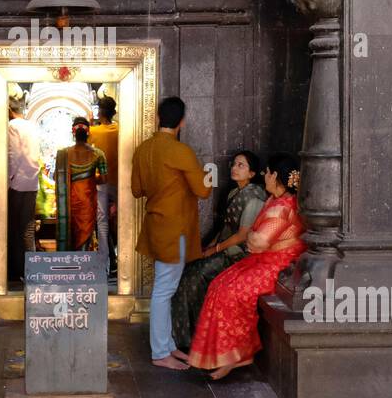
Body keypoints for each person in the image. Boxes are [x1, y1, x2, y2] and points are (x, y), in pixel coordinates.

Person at [188, 153, 306, 381]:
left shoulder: (282, 206)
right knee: (218, 284)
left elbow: (257, 241)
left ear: (276, 176)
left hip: (276, 266)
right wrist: (253, 237)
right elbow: (253, 240)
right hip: (263, 260)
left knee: (230, 293)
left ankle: (237, 353)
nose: (265, 177)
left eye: (268, 173)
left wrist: (252, 236)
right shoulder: (274, 200)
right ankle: (223, 354)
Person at [131, 96, 212, 370]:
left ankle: (167, 346)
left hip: (155, 226)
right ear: (181, 122)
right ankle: (160, 353)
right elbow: (202, 191)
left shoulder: (143, 149)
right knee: (164, 291)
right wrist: (208, 176)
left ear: (157, 118)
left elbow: (137, 190)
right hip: (174, 228)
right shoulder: (180, 151)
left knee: (164, 288)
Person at [171, 149, 266, 352]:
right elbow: (224, 227)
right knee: (189, 272)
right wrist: (207, 247)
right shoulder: (234, 193)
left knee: (195, 275)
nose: (234, 168)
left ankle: (198, 337)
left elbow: (242, 236)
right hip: (224, 248)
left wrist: (214, 250)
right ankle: (187, 336)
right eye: (234, 164)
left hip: (238, 255)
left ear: (252, 173)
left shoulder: (254, 198)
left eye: (241, 165)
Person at [55, 116, 107, 251]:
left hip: (68, 203)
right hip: (87, 203)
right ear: (88, 132)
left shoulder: (64, 154)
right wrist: (88, 179)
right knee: (85, 235)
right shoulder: (98, 154)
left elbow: (57, 177)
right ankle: (83, 264)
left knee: (69, 234)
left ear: (73, 132)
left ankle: (68, 264)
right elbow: (104, 179)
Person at [6, 97, 43, 281]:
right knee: (28, 227)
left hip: (17, 182)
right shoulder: (32, 126)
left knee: (14, 229)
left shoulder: (12, 126)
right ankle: (31, 269)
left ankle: (17, 269)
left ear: (9, 110)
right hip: (32, 181)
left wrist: (8, 178)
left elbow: (14, 154)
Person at [89, 95, 119, 276]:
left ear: (100, 111)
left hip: (101, 182)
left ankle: (106, 261)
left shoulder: (94, 131)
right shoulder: (121, 129)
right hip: (120, 182)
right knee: (121, 222)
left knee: (102, 223)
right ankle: (120, 258)